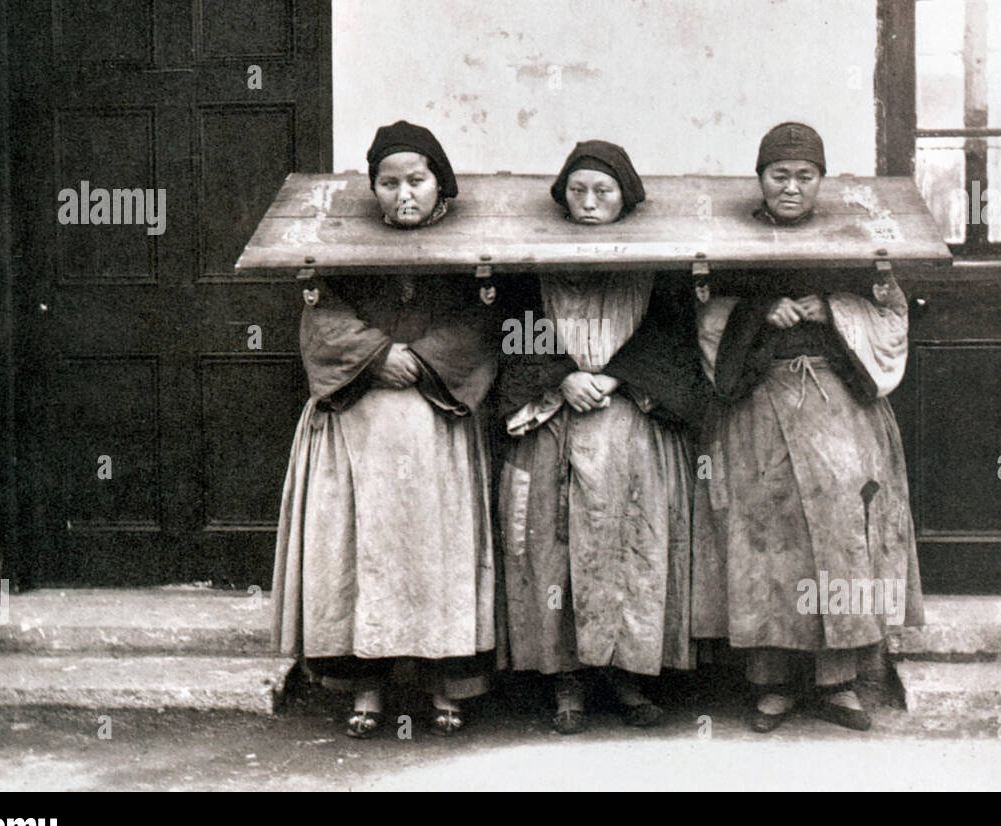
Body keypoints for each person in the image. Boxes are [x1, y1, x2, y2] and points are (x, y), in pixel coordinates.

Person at [691, 122, 924, 733]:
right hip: (760, 404)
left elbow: (892, 310)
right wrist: (758, 312)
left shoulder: (857, 244)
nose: (791, 188)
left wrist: (836, 309)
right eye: (778, 176)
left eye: (804, 177)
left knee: (846, 533)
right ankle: (772, 684)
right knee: (764, 534)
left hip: (839, 405)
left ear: (822, 181)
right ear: (759, 179)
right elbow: (703, 309)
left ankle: (839, 680)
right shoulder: (726, 242)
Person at [270, 121, 498, 738]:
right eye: (388, 182)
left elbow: (482, 324)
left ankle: (443, 682)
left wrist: (420, 361)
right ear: (371, 190)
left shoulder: (469, 260)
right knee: (361, 552)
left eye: (416, 181)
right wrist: (376, 357)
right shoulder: (337, 258)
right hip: (356, 426)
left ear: (439, 188)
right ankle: (365, 685)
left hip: (435, 427)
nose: (403, 193)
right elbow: (319, 322)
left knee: (434, 553)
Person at [495, 140, 708, 734]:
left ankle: (629, 675)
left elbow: (673, 339)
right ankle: (566, 680)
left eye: (603, 191)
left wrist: (615, 376)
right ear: (561, 198)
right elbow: (512, 332)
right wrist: (562, 378)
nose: (589, 202)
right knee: (556, 551)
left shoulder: (659, 269)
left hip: (631, 429)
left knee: (630, 549)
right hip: (552, 425)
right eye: (578, 191)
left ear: (625, 199)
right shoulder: (529, 266)